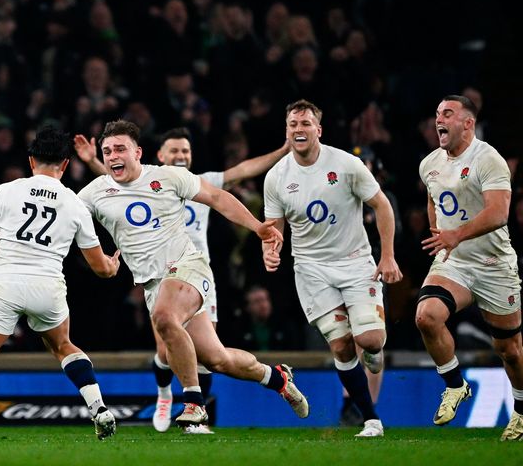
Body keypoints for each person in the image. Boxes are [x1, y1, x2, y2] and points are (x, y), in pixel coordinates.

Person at [77, 120, 308, 433]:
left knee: (164, 317)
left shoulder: (168, 176)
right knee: (217, 359)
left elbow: (217, 197)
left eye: (120, 148)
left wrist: (257, 227)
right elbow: (69, 222)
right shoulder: (94, 192)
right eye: (107, 151)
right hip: (153, 283)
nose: (113, 155)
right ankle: (276, 377)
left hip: (188, 266)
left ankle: (194, 404)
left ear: (138, 152)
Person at [0, 126, 121, 443]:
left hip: (5, 284)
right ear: (64, 164)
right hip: (48, 288)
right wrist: (113, 266)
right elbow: (99, 267)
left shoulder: (7, 190)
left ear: (31, 160)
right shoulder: (75, 204)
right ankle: (99, 408)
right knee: (63, 346)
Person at [262, 99, 402, 438]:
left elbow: (381, 204)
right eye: (293, 124)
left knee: (370, 340)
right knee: (341, 346)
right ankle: (371, 419)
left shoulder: (346, 164)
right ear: (286, 131)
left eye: (306, 123)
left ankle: (373, 351)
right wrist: (271, 249)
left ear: (318, 130)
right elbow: (273, 226)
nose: (299, 129)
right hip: (311, 269)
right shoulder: (276, 177)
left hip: (355, 261)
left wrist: (388, 256)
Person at [416, 95, 523, 441]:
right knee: (426, 316)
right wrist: (439, 232)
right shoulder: (429, 163)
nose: (439, 120)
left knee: (509, 350)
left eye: (447, 113)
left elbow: (498, 213)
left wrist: (455, 234)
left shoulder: (488, 159)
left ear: (468, 123)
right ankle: (455, 384)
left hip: (494, 265)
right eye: (437, 114)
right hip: (455, 262)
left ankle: (521, 412)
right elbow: (433, 198)